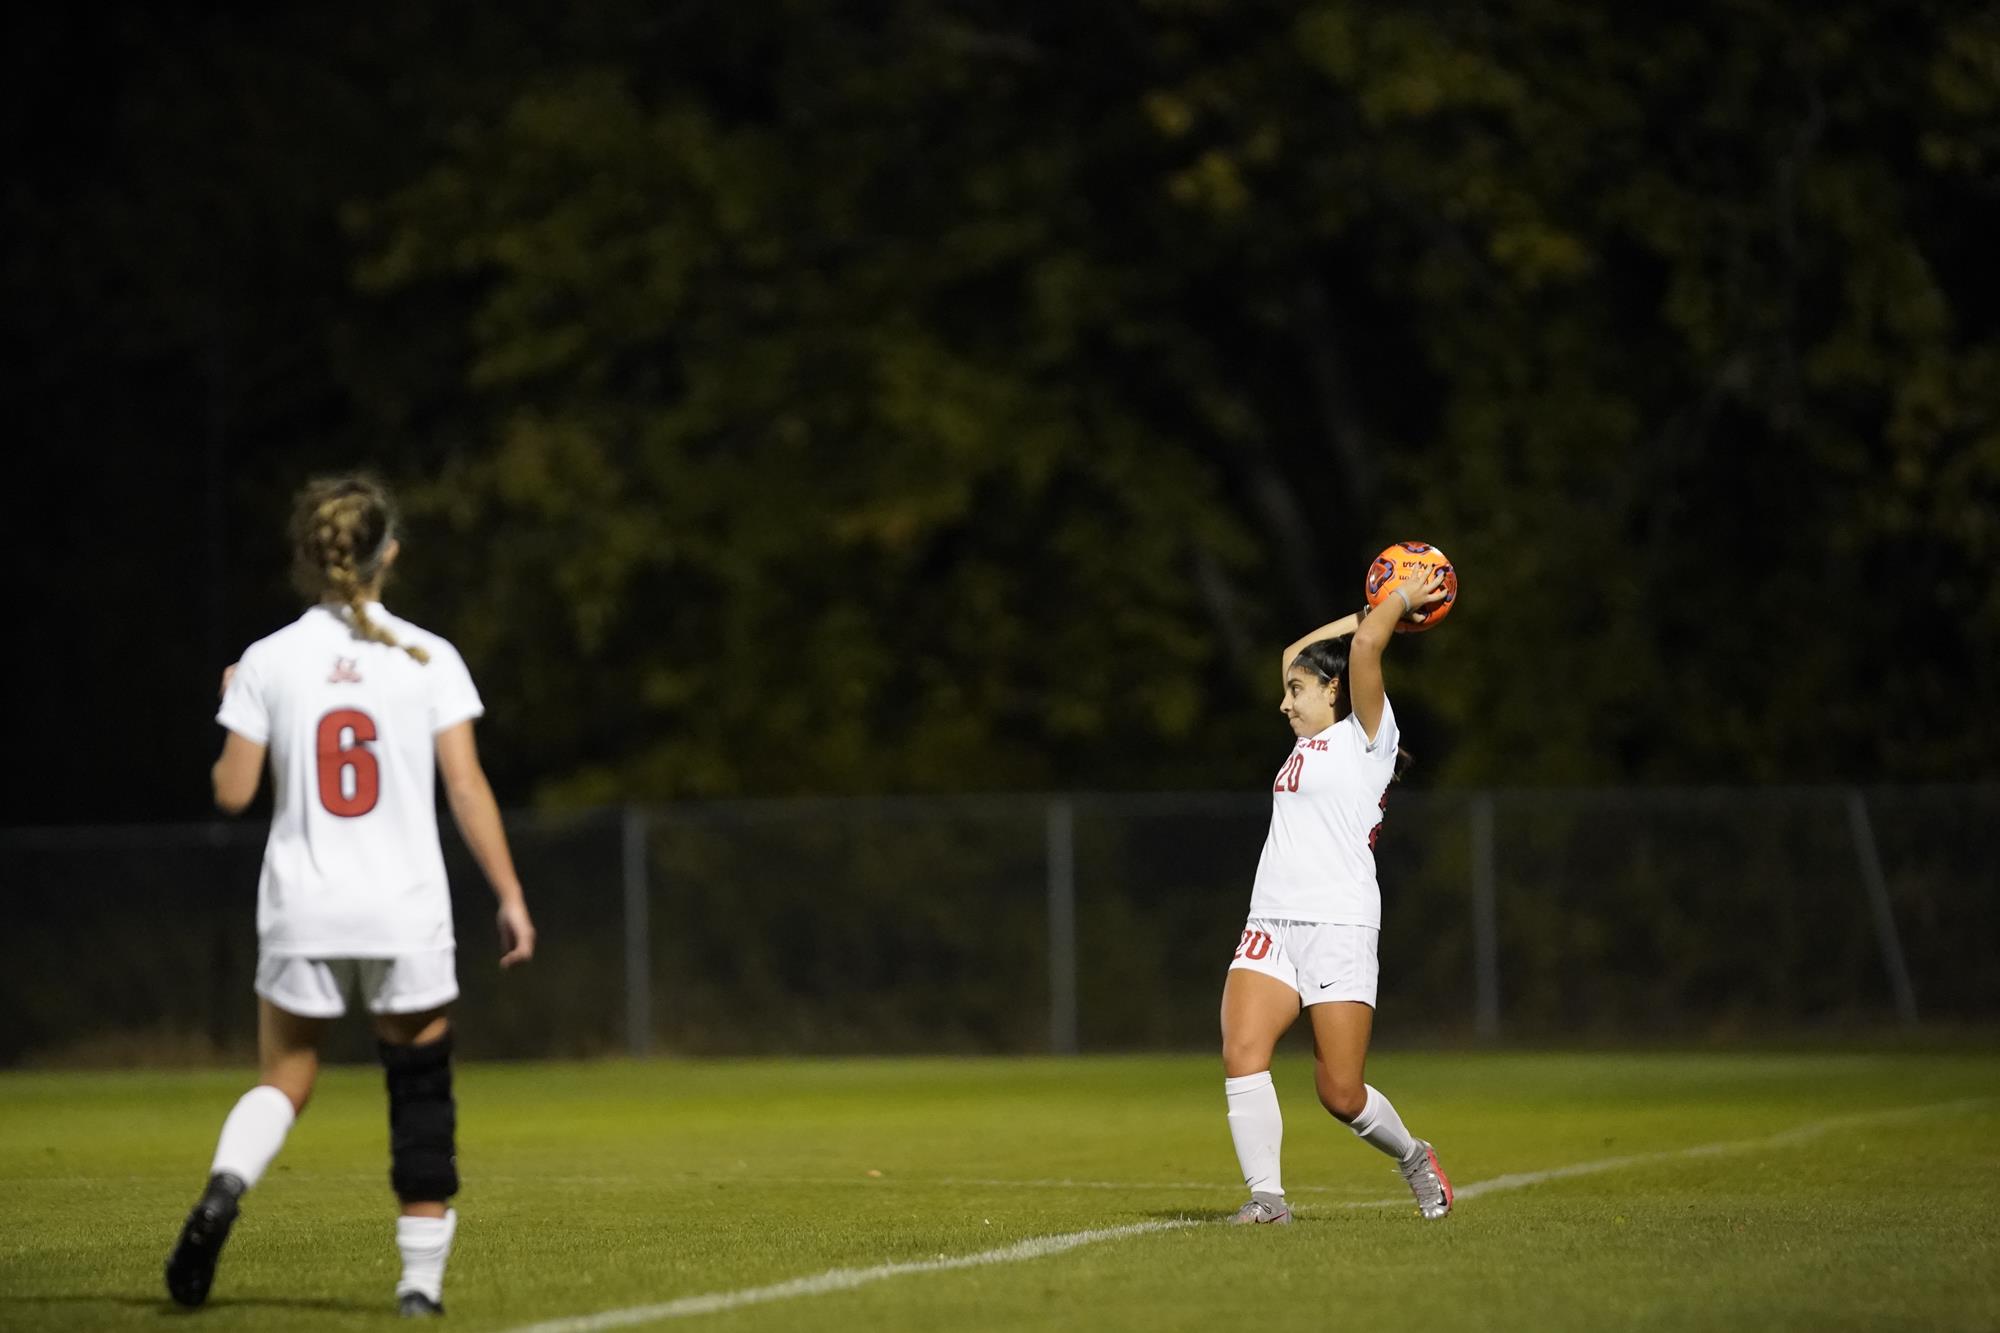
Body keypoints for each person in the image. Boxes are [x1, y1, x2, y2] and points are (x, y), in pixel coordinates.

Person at [165, 475, 536, 1317]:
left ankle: (224, 1190)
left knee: (285, 1076)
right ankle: (418, 1287)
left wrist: (233, 704)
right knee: (419, 1090)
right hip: (403, 908)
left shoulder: (268, 659)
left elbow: (231, 792)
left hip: (303, 907)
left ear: (308, 555)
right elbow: (467, 787)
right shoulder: (427, 656)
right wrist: (509, 893)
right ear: (388, 554)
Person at [1220, 567, 1453, 1224]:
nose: (1285, 701)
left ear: (1334, 689)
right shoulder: (1308, 737)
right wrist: (1370, 609)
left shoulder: (1368, 739)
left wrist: (1399, 603)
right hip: (1271, 918)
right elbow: (1300, 648)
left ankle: (1412, 1155)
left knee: (1340, 1092)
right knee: (1242, 1048)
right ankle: (1267, 1199)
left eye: (1298, 689)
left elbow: (1365, 652)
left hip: (1340, 922)